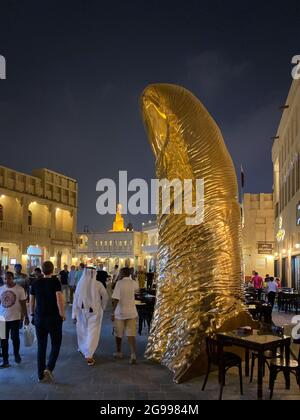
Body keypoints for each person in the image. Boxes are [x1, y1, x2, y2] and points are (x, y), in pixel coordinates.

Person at [30, 261, 65, 382]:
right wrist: (62, 314)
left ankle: (40, 374)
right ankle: (49, 368)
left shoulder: (35, 282)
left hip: (39, 318)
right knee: (56, 343)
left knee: (41, 346)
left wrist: (32, 314)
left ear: (42, 270)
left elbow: (32, 300)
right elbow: (59, 298)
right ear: (52, 269)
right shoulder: (55, 282)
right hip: (54, 318)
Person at [72, 268, 108, 366]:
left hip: (81, 312)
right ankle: (89, 355)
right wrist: (103, 307)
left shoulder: (80, 284)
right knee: (93, 332)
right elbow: (105, 296)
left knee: (82, 331)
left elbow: (75, 299)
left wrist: (73, 315)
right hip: (95, 312)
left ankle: (84, 349)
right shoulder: (98, 284)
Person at [0, 271, 29, 368]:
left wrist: (26, 317)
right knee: (3, 340)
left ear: (13, 278)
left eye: (8, 278)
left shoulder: (20, 289)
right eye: (5, 278)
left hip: (15, 318)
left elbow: (23, 304)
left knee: (15, 338)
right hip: (2, 319)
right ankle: (5, 361)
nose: (6, 280)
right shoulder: (0, 289)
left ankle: (16, 354)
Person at [112, 267, 139, 364]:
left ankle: (119, 352)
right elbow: (137, 289)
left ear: (122, 274)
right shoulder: (133, 283)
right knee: (131, 334)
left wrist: (113, 312)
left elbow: (115, 299)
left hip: (120, 312)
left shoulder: (119, 283)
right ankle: (133, 354)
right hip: (131, 312)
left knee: (118, 334)